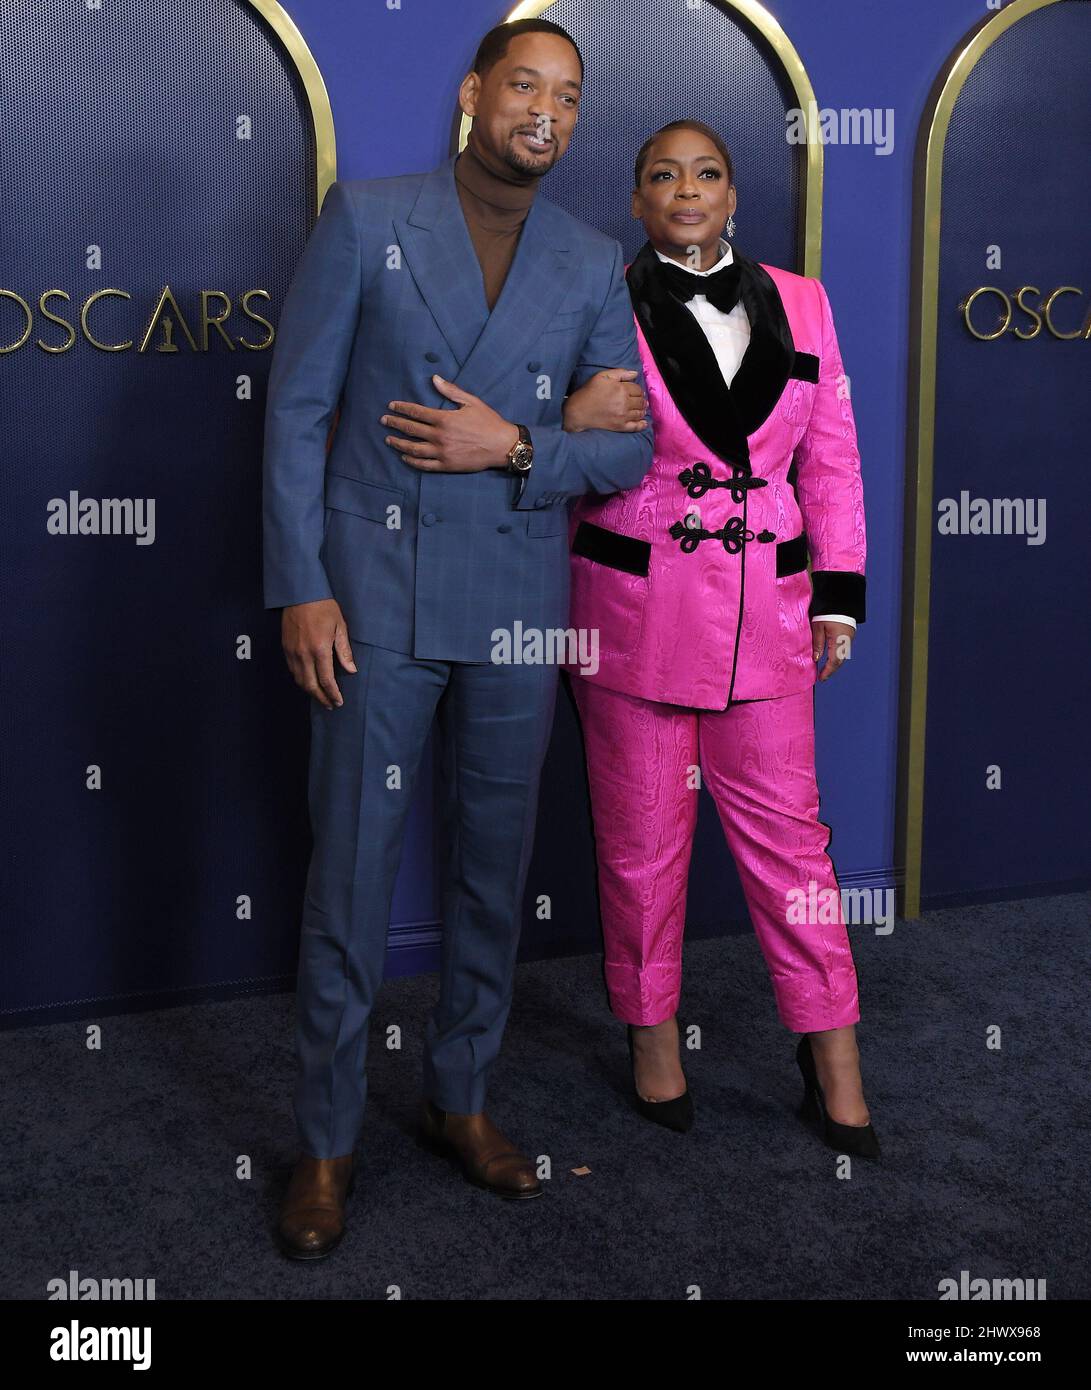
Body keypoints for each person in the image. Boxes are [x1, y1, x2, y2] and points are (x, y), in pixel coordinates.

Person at [262, 19, 653, 1259]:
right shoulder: (367, 218)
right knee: (350, 883)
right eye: (524, 85)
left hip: (513, 608)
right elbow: (298, 413)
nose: (546, 110)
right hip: (367, 603)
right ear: (475, 93)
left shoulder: (594, 264)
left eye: (570, 97)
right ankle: (324, 1144)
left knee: (494, 870)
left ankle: (459, 1099)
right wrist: (299, 585)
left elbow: (630, 447)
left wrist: (523, 443)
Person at [561, 120, 879, 1159]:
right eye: (661, 175)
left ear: (732, 194)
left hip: (771, 616)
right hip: (634, 614)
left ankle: (831, 1056)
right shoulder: (596, 299)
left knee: (795, 848)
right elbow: (566, 455)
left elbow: (828, 456)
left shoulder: (805, 301)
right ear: (637, 203)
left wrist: (835, 595)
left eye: (703, 173)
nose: (684, 189)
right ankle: (652, 1037)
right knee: (641, 842)